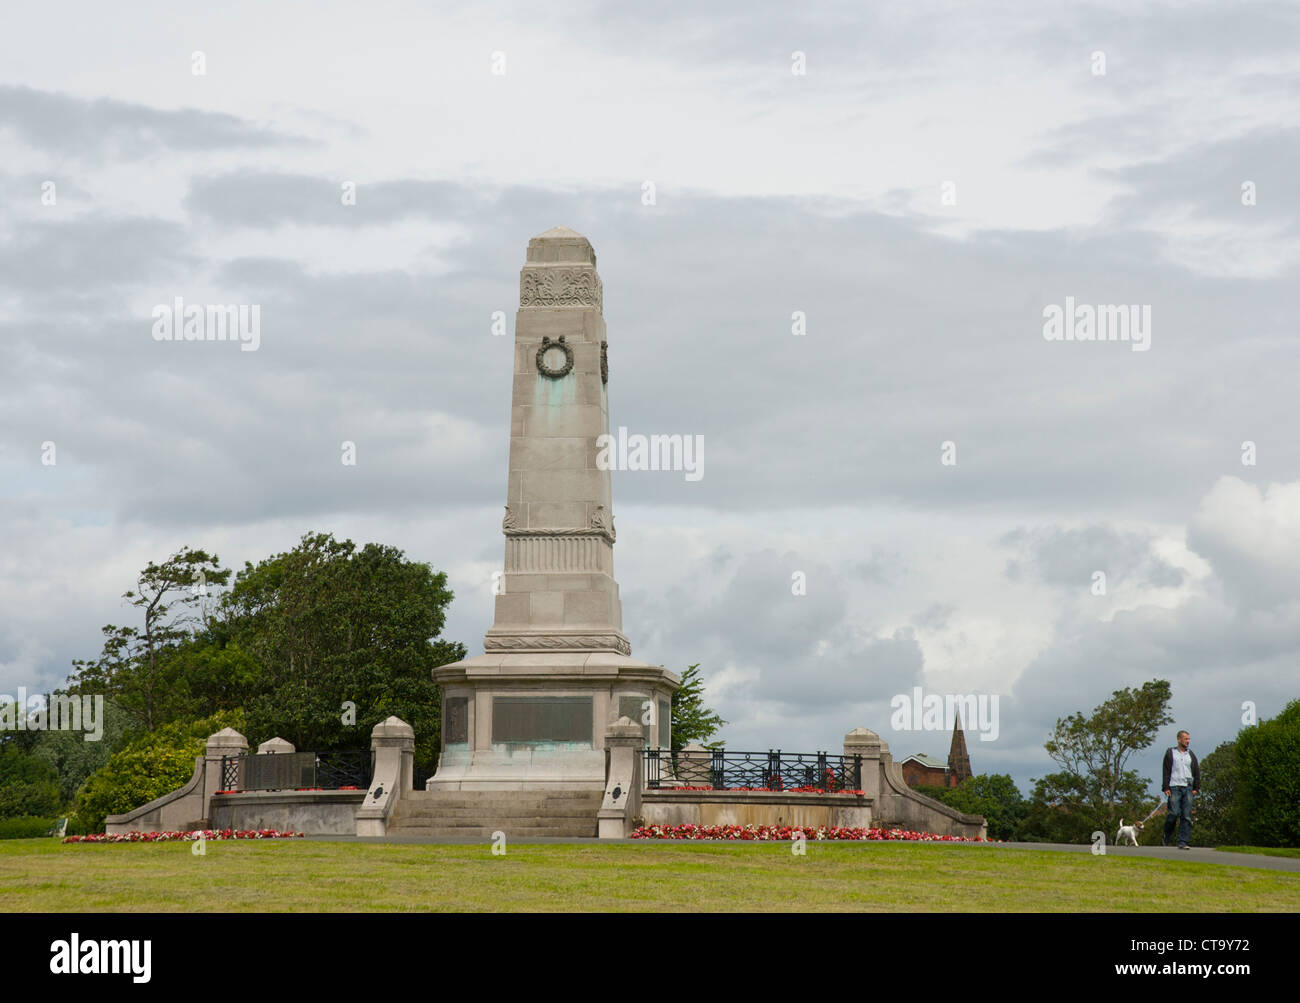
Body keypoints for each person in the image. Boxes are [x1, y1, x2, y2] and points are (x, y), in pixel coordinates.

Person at [1161, 730, 1200, 849]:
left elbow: (1196, 771)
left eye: (1189, 739)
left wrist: (1196, 787)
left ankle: (1182, 841)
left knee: (1187, 815)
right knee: (1173, 813)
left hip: (1188, 787)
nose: (1188, 741)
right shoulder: (1170, 753)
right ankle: (1167, 835)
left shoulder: (1191, 755)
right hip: (1174, 786)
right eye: (1185, 739)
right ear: (1179, 739)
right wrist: (1166, 787)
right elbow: (1166, 770)